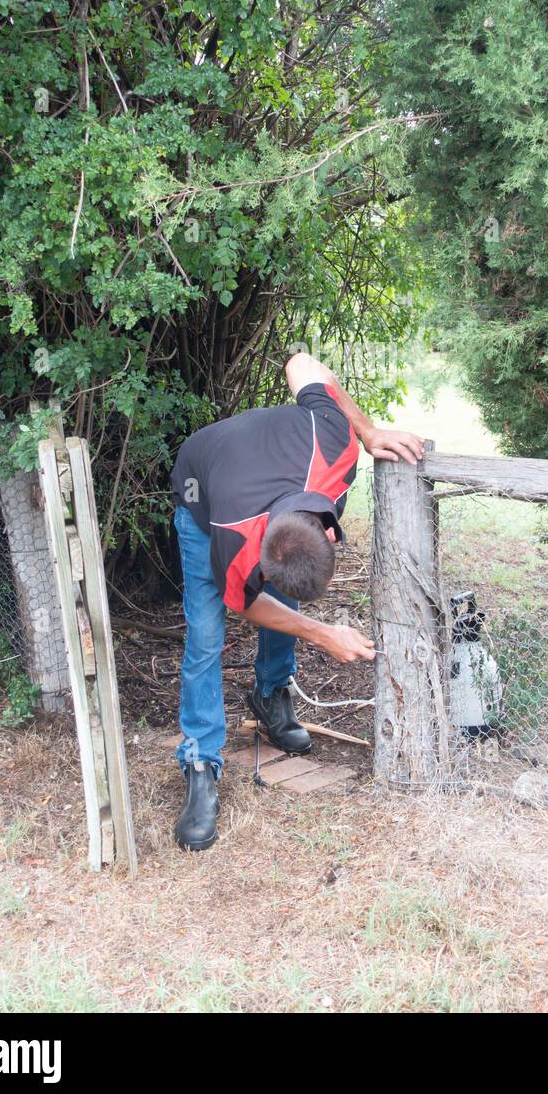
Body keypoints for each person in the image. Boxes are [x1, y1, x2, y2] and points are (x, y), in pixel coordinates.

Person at [169, 350, 426, 850]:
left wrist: (368, 431)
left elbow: (300, 362)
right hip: (201, 487)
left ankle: (270, 695)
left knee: (287, 608)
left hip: (260, 463)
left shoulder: (333, 440)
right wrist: (323, 634)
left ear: (327, 535)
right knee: (205, 635)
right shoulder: (232, 536)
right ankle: (200, 761)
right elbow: (243, 602)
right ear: (261, 557)